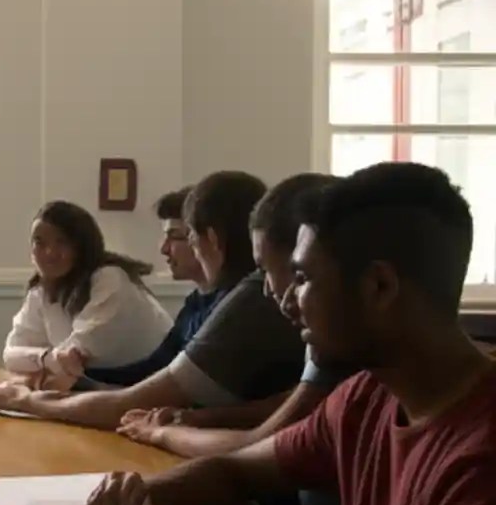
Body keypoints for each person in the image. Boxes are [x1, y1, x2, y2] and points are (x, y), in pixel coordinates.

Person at [83, 163, 496, 505]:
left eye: (302, 278)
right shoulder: (364, 399)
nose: (285, 300)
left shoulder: (480, 460)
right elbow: (237, 473)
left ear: (379, 286)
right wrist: (139, 494)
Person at [0, 170, 304, 429]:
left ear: (212, 240)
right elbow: (152, 373)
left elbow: (138, 399)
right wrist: (68, 382)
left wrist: (28, 401)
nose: (165, 250)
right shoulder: (209, 300)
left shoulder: (247, 300)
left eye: (184, 237)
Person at [116, 173, 348, 457]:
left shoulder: (258, 306)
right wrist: (201, 419)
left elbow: (255, 448)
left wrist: (163, 433)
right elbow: (299, 399)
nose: (275, 295)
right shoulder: (331, 345)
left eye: (301, 276)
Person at [1, 201, 173, 391]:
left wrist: (40, 370)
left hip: (153, 388)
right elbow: (11, 355)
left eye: (61, 242)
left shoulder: (110, 279)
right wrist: (46, 359)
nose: (49, 253)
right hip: (103, 389)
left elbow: (77, 354)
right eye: (39, 242)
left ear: (82, 246)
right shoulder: (40, 292)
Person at [82, 186, 228, 386]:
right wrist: (81, 377)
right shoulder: (195, 303)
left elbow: (177, 382)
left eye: (174, 236)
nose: (163, 248)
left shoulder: (229, 305)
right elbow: (156, 366)